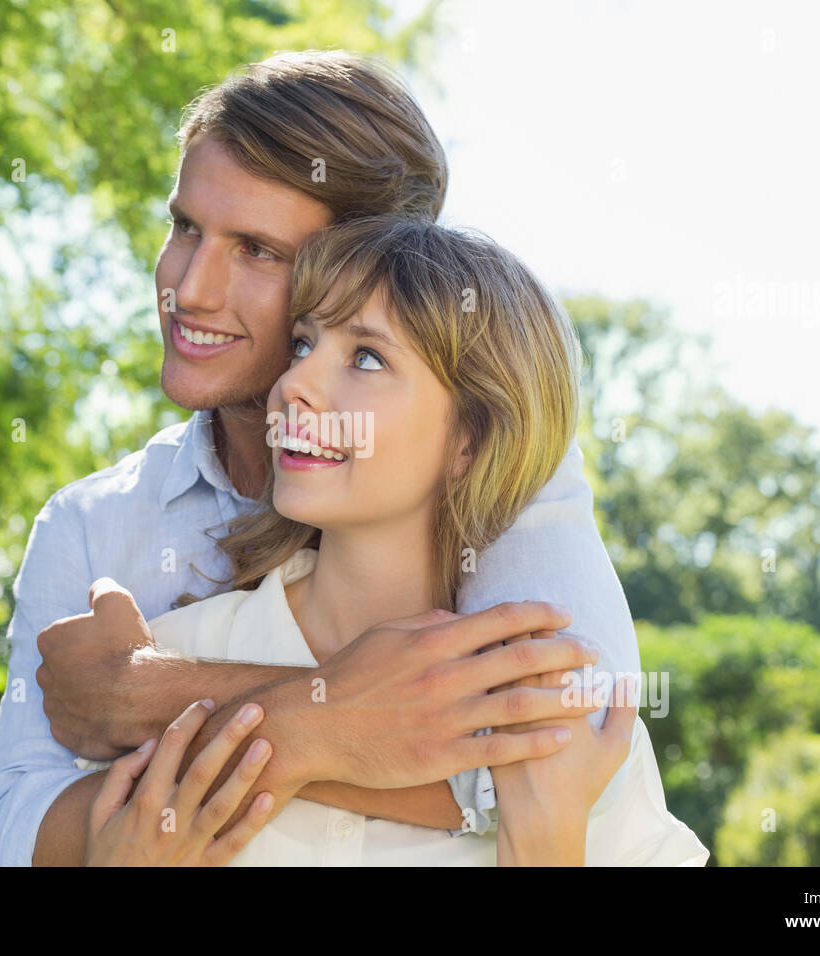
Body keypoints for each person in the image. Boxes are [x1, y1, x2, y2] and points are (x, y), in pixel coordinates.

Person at [0, 50, 642, 867]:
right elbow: (5, 831)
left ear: (369, 267)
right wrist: (329, 724)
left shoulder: (497, 472)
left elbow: (565, 746)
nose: (191, 287)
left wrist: (153, 697)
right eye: (185, 227)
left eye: (257, 249)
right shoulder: (95, 525)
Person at [78, 215, 708, 865]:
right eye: (302, 344)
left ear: (471, 438)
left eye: (367, 357)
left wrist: (543, 841)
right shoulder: (182, 650)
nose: (293, 386)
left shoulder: (577, 729)